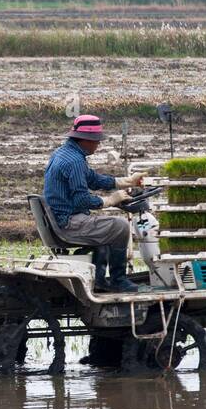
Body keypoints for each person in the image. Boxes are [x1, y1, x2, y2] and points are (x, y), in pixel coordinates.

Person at [42, 114, 142, 293]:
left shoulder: (64, 154)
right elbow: (82, 199)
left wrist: (126, 181)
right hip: (69, 223)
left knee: (106, 228)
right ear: (85, 140)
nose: (98, 144)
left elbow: (93, 179)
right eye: (96, 140)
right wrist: (110, 200)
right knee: (119, 227)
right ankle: (119, 280)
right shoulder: (74, 161)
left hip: (62, 219)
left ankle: (99, 280)